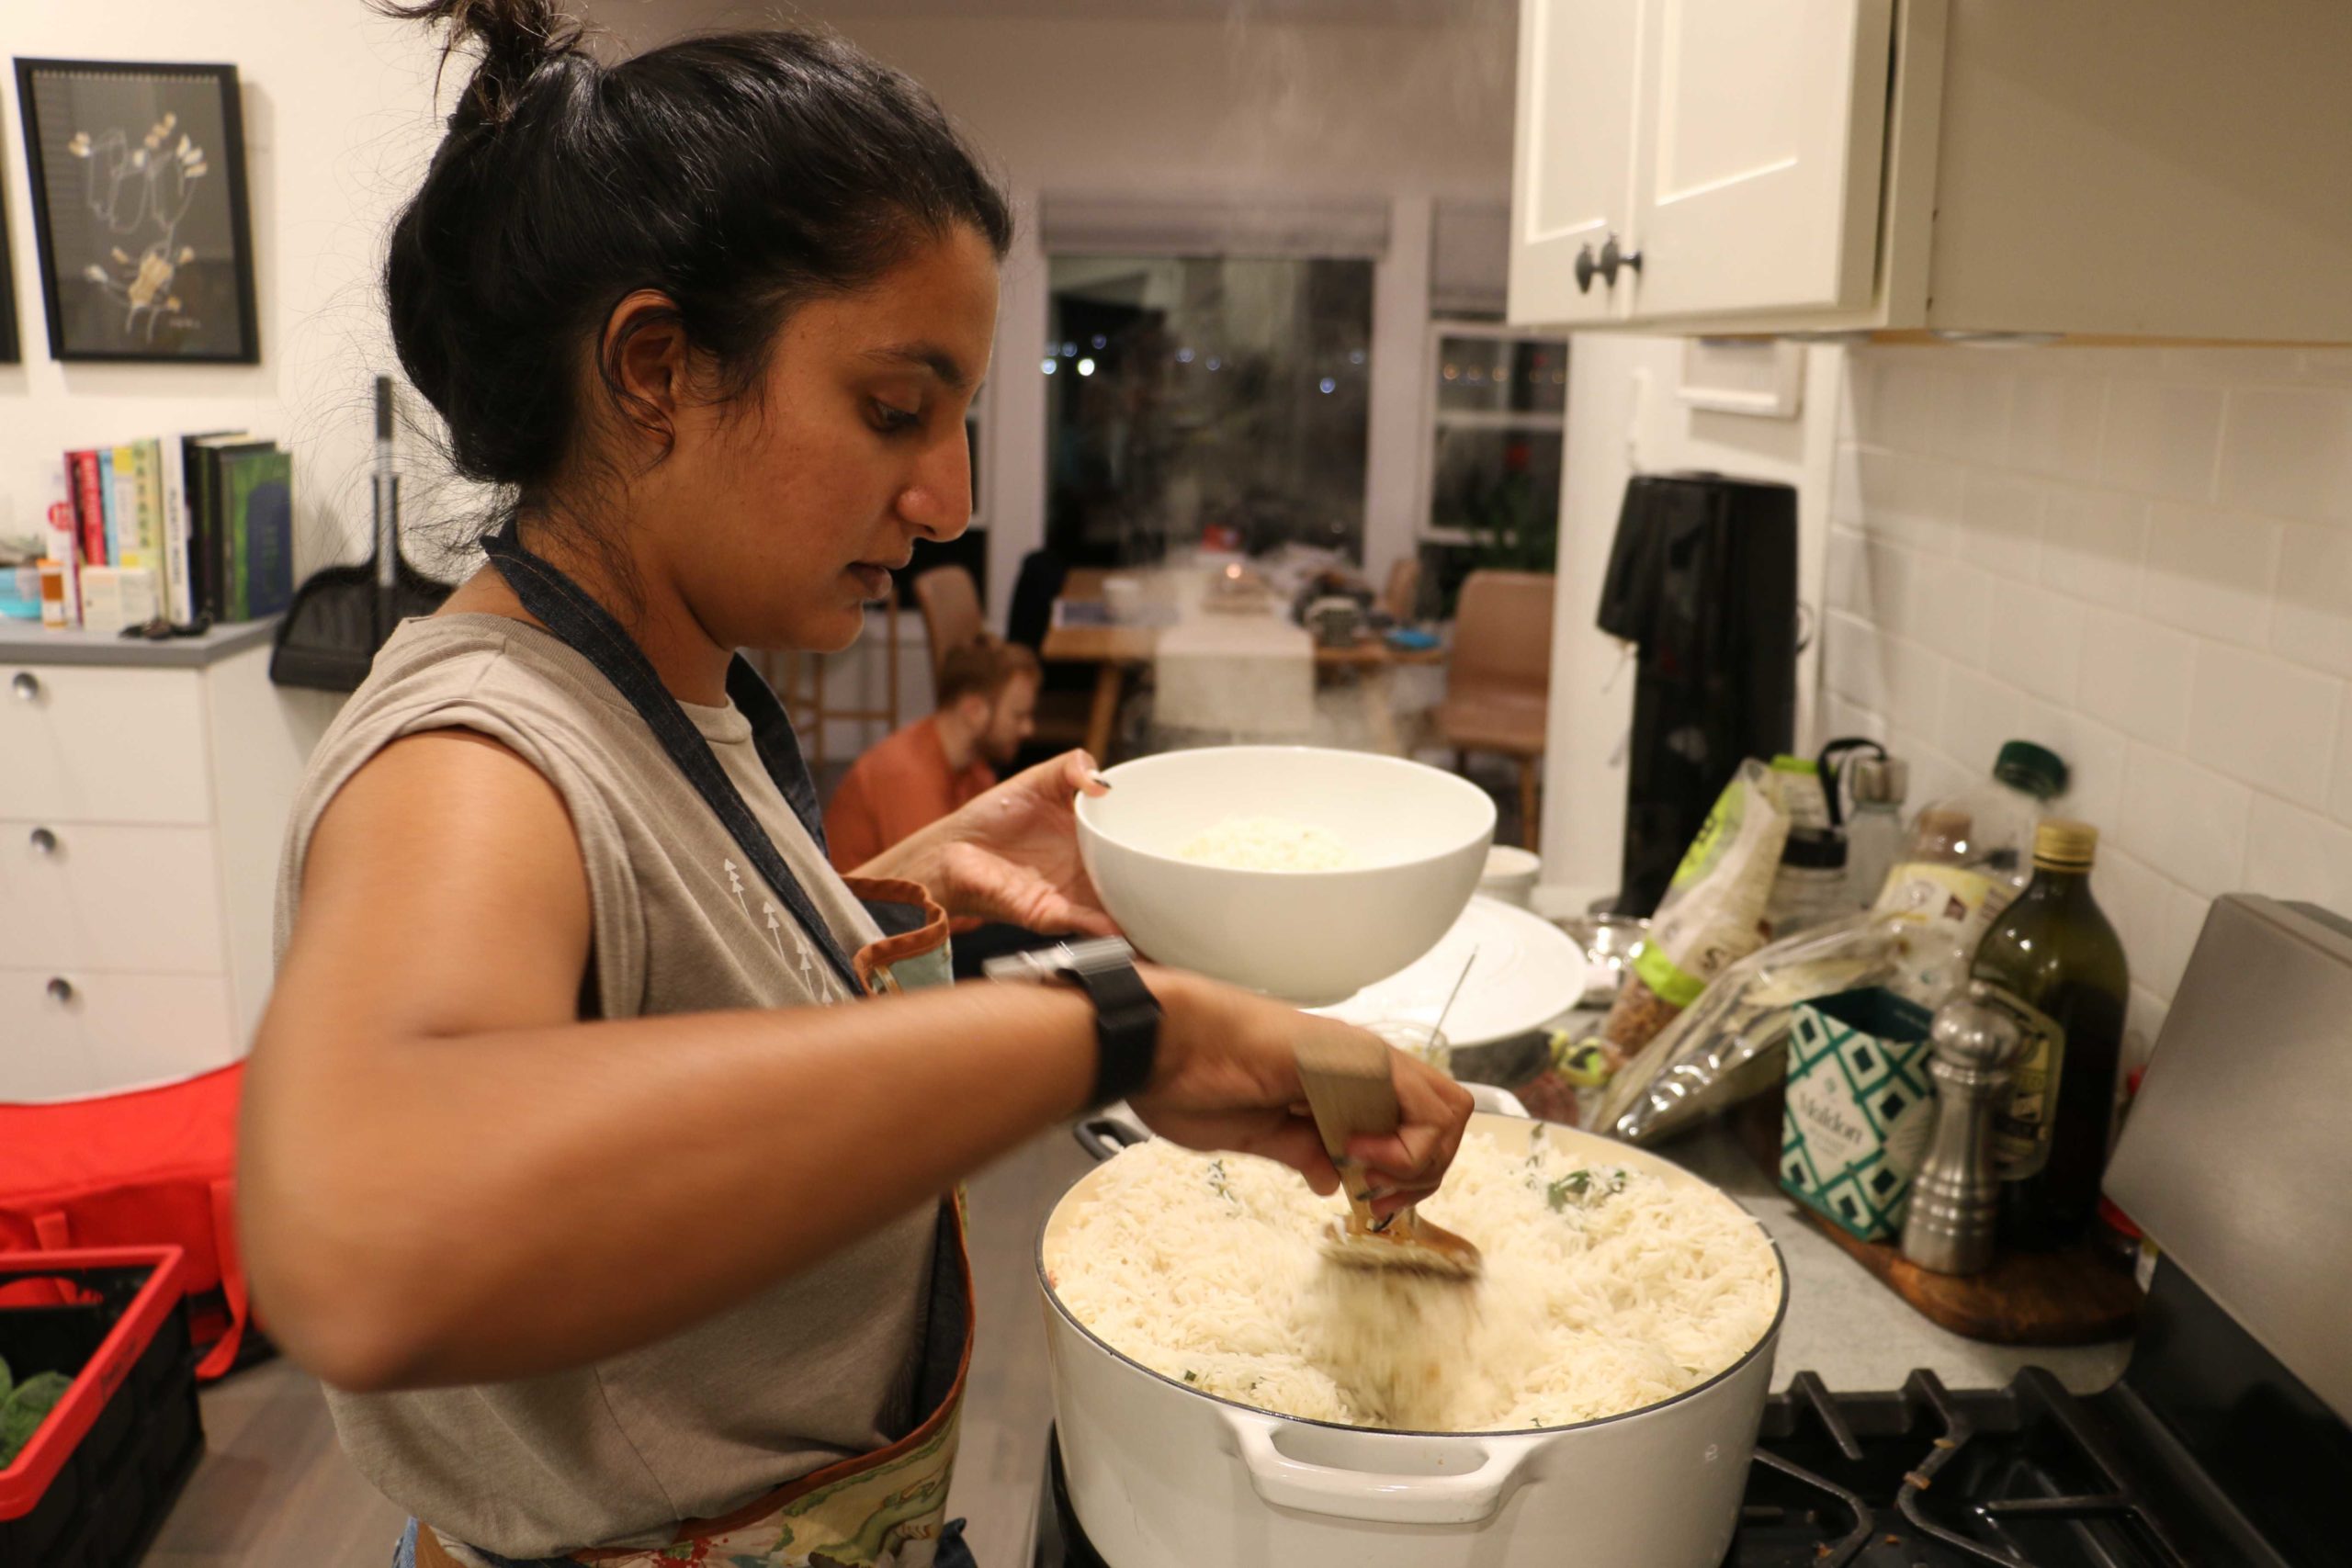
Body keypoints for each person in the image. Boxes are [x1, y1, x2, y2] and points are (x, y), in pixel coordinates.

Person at [238, 7, 1470, 1568]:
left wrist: (894, 891)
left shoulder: (663, 679)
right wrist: (1115, 1022)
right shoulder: (471, 755)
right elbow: (364, 1233)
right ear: (655, 369)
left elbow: (652, 1000)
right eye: (896, 408)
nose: (949, 498)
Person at [823, 637, 1039, 875]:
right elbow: (928, 894)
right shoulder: (907, 778)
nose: (1028, 729)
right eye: (1018, 716)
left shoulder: (973, 769)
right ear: (974, 710)